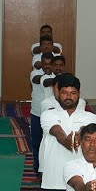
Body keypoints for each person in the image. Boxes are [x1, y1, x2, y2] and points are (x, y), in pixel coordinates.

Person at [29, 50, 56, 178]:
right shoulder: (35, 73)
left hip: (52, 115)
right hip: (37, 113)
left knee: (51, 143)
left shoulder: (57, 74)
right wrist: (57, 79)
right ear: (41, 63)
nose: (47, 66)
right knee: (36, 142)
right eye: (45, 64)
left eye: (50, 64)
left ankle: (50, 168)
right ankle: (37, 168)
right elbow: (42, 81)